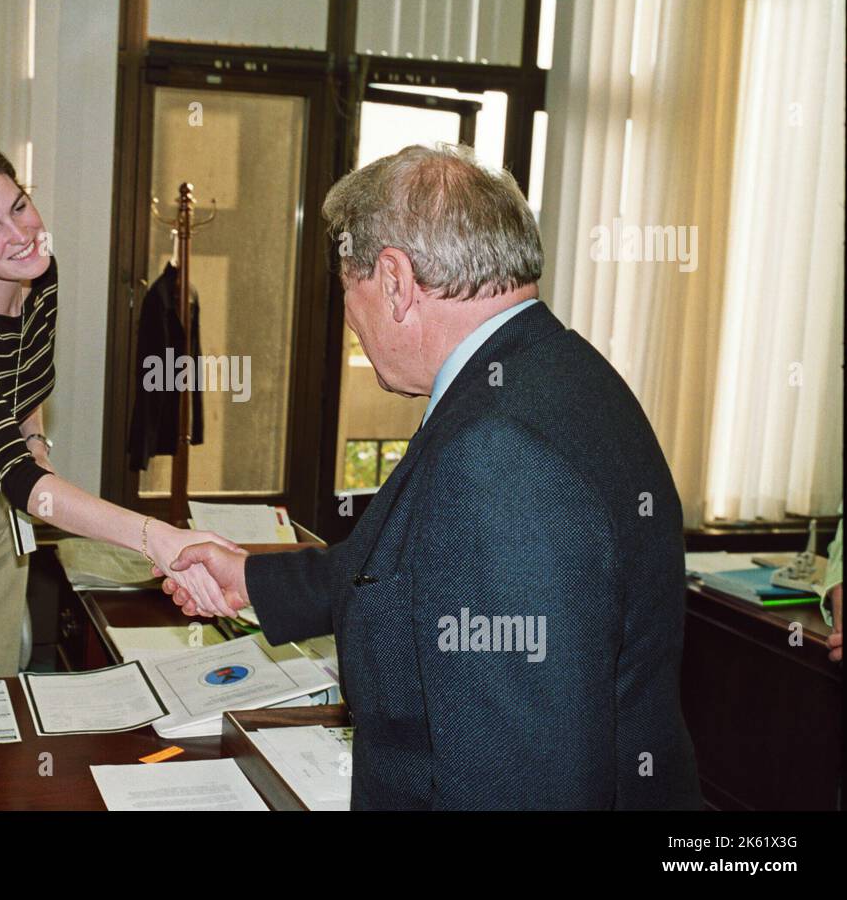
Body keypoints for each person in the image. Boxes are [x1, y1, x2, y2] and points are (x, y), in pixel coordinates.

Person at [162, 143, 703, 810]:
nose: (352, 323)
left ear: (393, 279)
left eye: (345, 290)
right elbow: (416, 569)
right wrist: (251, 581)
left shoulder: (499, 455)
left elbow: (522, 781)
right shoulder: (558, 369)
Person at [0, 137, 237, 681]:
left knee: (0, 682)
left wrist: (34, 443)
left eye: (19, 206)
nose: (22, 233)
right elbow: (21, 482)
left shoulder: (37, 271)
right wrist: (162, 538)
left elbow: (23, 383)